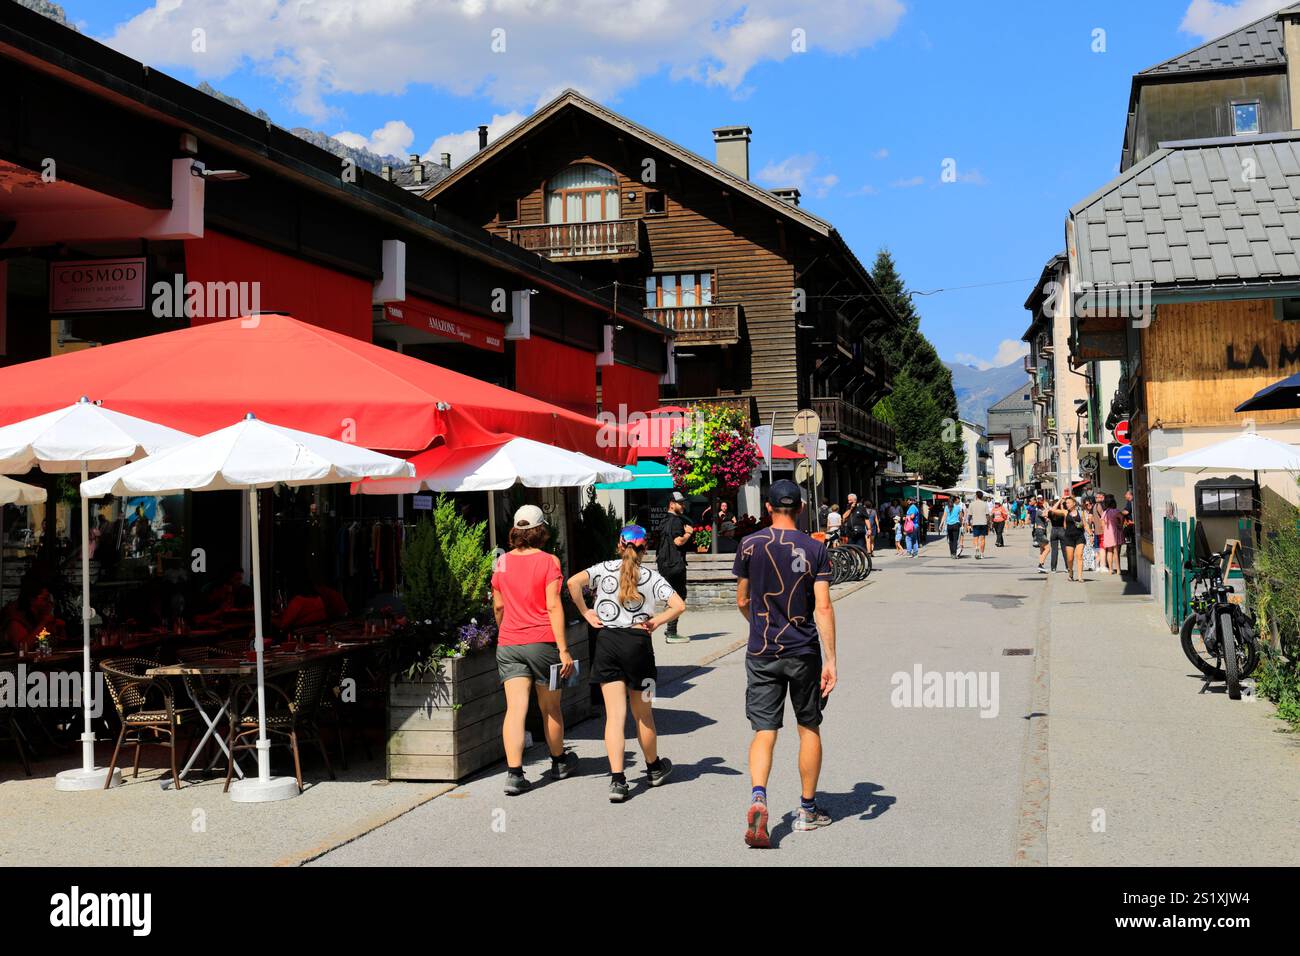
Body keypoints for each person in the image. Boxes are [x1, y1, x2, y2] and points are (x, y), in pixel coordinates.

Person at [733, 480, 837, 847]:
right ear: (802, 508)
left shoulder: (749, 545)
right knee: (808, 726)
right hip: (803, 650)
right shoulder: (815, 549)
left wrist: (758, 626)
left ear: (767, 507)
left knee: (764, 731)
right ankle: (807, 810)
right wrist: (832, 660)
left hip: (761, 650)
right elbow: (822, 606)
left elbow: (742, 599)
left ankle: (758, 796)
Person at [567, 525, 686, 802]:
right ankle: (653, 768)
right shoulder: (652, 577)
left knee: (615, 716)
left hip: (607, 643)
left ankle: (618, 780)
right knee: (643, 714)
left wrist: (586, 613)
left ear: (619, 545)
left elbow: (573, 582)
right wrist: (655, 621)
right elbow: (678, 605)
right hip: (639, 646)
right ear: (645, 549)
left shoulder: (604, 568)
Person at [491, 505, 577, 795]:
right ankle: (558, 761)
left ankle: (514, 774)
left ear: (516, 530)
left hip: (509, 643)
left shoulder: (500, 563)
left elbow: (499, 606)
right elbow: (553, 605)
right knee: (550, 707)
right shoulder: (549, 561)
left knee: (515, 709)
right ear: (541, 530)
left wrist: (505, 629)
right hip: (542, 643)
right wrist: (563, 649)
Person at [656, 491, 693, 643]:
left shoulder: (663, 520)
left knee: (672, 596)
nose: (683, 505)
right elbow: (678, 542)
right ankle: (671, 632)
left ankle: (670, 630)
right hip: (675, 564)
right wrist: (689, 534)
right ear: (672, 504)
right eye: (680, 503)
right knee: (679, 597)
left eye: (683, 502)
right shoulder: (677, 521)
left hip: (663, 563)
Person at [4, 580, 65, 652]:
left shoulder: (41, 619)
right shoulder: (16, 622)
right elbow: (22, 649)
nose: (48, 603)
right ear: (32, 600)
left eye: (50, 600)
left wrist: (60, 629)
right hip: (21, 663)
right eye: (44, 599)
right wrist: (42, 624)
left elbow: (55, 646)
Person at [1101, 494, 1123, 575]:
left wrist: (1105, 531)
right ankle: (1118, 569)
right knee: (1116, 551)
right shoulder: (1116, 511)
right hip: (1115, 533)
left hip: (1107, 534)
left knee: (1109, 551)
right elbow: (1121, 518)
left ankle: (1110, 569)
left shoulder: (1105, 512)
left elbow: (1102, 525)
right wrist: (1120, 525)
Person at [967, 491, 990, 560]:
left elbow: (970, 515)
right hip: (983, 523)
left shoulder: (972, 504)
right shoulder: (985, 504)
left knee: (975, 537)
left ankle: (976, 547)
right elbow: (987, 515)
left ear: (976, 496)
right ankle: (982, 554)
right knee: (982, 539)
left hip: (975, 523)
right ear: (982, 496)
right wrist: (988, 523)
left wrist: (968, 522)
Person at [1047, 496, 1067, 573]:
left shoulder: (1051, 512)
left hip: (1054, 530)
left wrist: (1058, 501)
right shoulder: (1062, 512)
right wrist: (1061, 503)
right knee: (1064, 550)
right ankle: (1067, 567)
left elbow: (1051, 510)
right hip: (1062, 530)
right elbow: (1064, 512)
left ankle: (1053, 568)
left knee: (1054, 551)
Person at [1031, 495, 1051, 573]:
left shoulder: (1040, 511)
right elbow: (1046, 514)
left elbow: (1046, 518)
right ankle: (1040, 565)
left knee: (1042, 550)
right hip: (1040, 532)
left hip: (1042, 531)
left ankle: (1041, 566)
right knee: (1048, 548)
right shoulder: (1039, 511)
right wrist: (1047, 508)